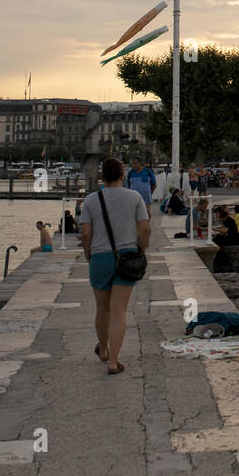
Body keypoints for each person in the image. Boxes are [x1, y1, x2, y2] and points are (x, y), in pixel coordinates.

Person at [79, 158, 150, 376]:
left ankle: (102, 349)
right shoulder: (135, 197)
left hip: (100, 257)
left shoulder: (90, 200)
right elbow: (145, 230)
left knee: (102, 308)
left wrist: (88, 254)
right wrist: (141, 250)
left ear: (102, 177)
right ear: (122, 176)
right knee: (119, 310)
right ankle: (114, 362)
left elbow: (85, 233)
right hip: (127, 257)